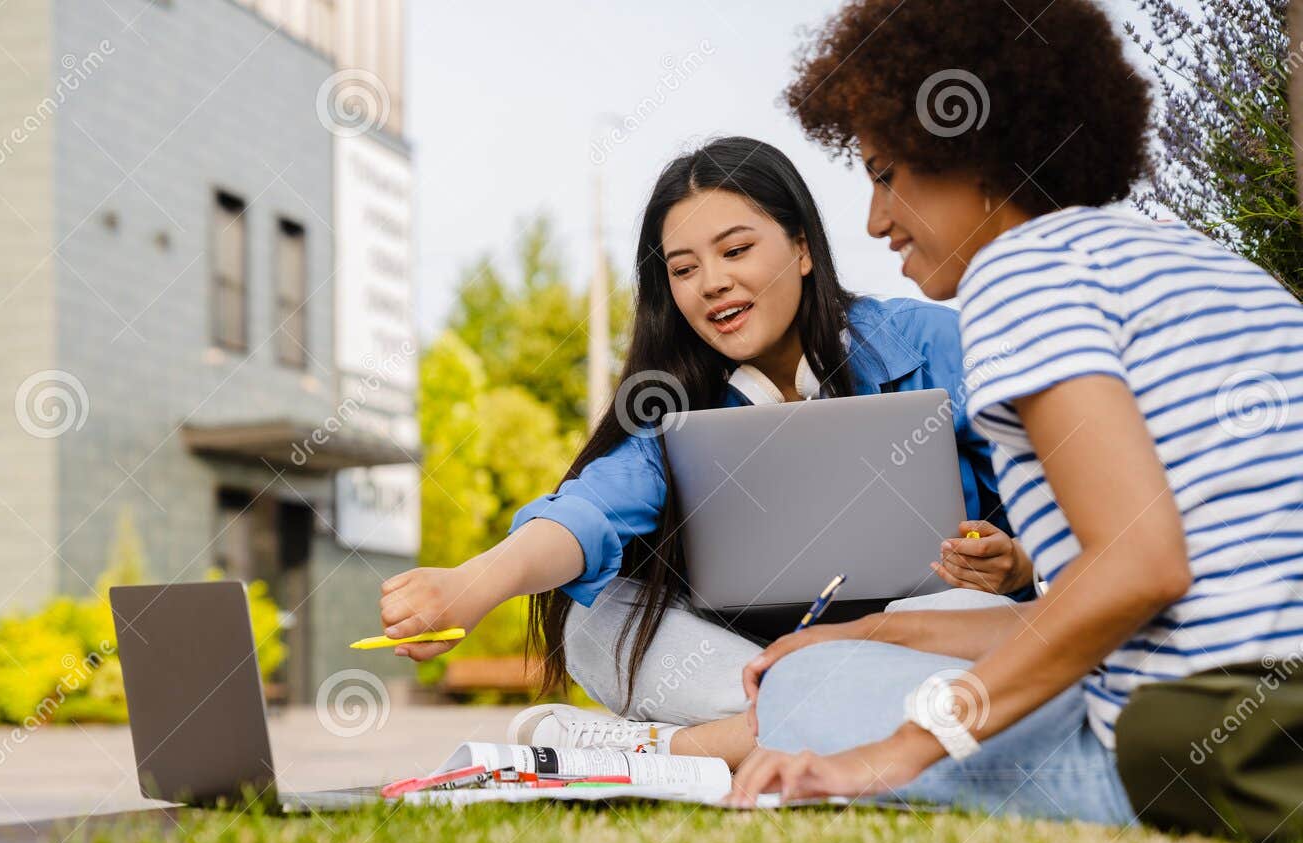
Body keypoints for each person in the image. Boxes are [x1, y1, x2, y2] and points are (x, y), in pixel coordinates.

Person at [724, 0, 1303, 823]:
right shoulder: (1197, 261)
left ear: (977, 150)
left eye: (888, 173)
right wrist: (876, 635)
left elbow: (1140, 568)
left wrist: (892, 755)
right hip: (1265, 705)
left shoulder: (1019, 273)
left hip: (1203, 747)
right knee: (831, 662)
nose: (875, 220)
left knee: (804, 693)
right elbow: (1112, 604)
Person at [378, 137, 1025, 769]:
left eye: (737, 250)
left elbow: (1071, 513)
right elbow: (589, 511)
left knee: (973, 614)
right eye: (683, 269)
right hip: (744, 663)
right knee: (598, 623)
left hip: (923, 633)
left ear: (802, 248)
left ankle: (677, 750)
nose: (712, 283)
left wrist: (1018, 566)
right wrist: (471, 585)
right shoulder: (676, 405)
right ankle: (821, 726)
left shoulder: (936, 343)